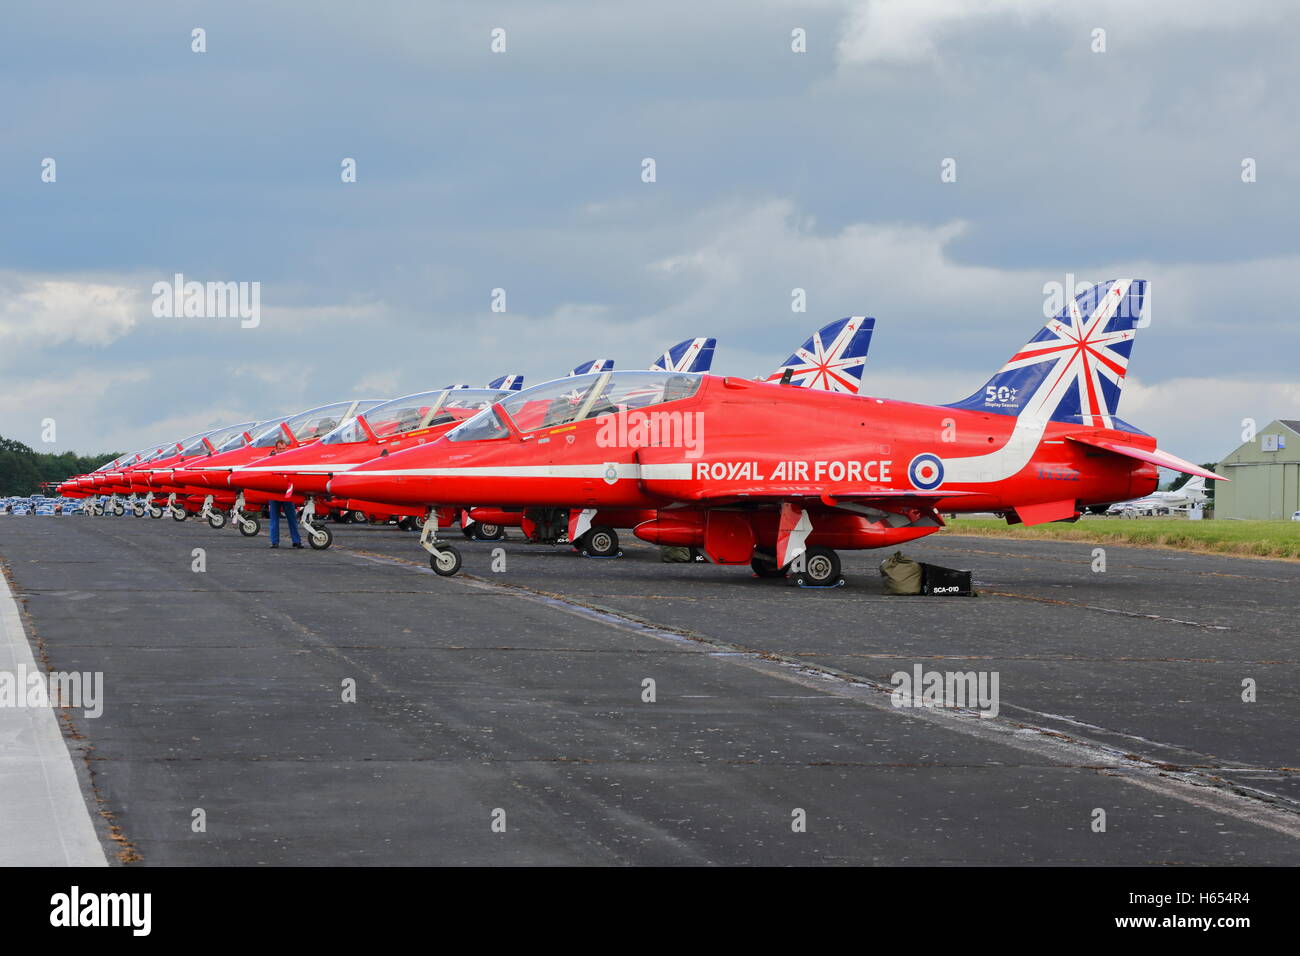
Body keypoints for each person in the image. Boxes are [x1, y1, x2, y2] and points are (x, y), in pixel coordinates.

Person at [266, 438, 303, 549]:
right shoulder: (270, 460)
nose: (282, 451)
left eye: (283, 448)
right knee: (274, 518)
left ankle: (296, 541)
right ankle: (274, 542)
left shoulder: (290, 460)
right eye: (280, 449)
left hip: (287, 493)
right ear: (276, 449)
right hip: (274, 493)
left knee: (292, 517)